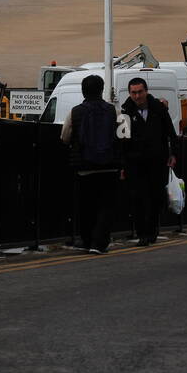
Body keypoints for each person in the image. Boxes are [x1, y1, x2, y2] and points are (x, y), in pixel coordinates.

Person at [61, 74, 123, 254]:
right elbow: (123, 136)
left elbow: (64, 137)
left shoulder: (74, 112)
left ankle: (86, 240)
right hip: (109, 166)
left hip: (84, 167)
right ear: (102, 90)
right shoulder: (115, 111)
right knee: (106, 206)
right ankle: (99, 242)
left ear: (83, 91)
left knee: (86, 206)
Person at [121, 76, 178, 247]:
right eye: (133, 93)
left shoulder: (159, 109)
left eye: (140, 92)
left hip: (156, 161)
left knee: (155, 198)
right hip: (134, 163)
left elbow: (170, 132)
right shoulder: (125, 113)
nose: (137, 96)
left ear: (146, 92)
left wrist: (173, 154)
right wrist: (122, 165)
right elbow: (122, 141)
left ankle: (152, 230)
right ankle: (142, 233)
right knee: (138, 198)